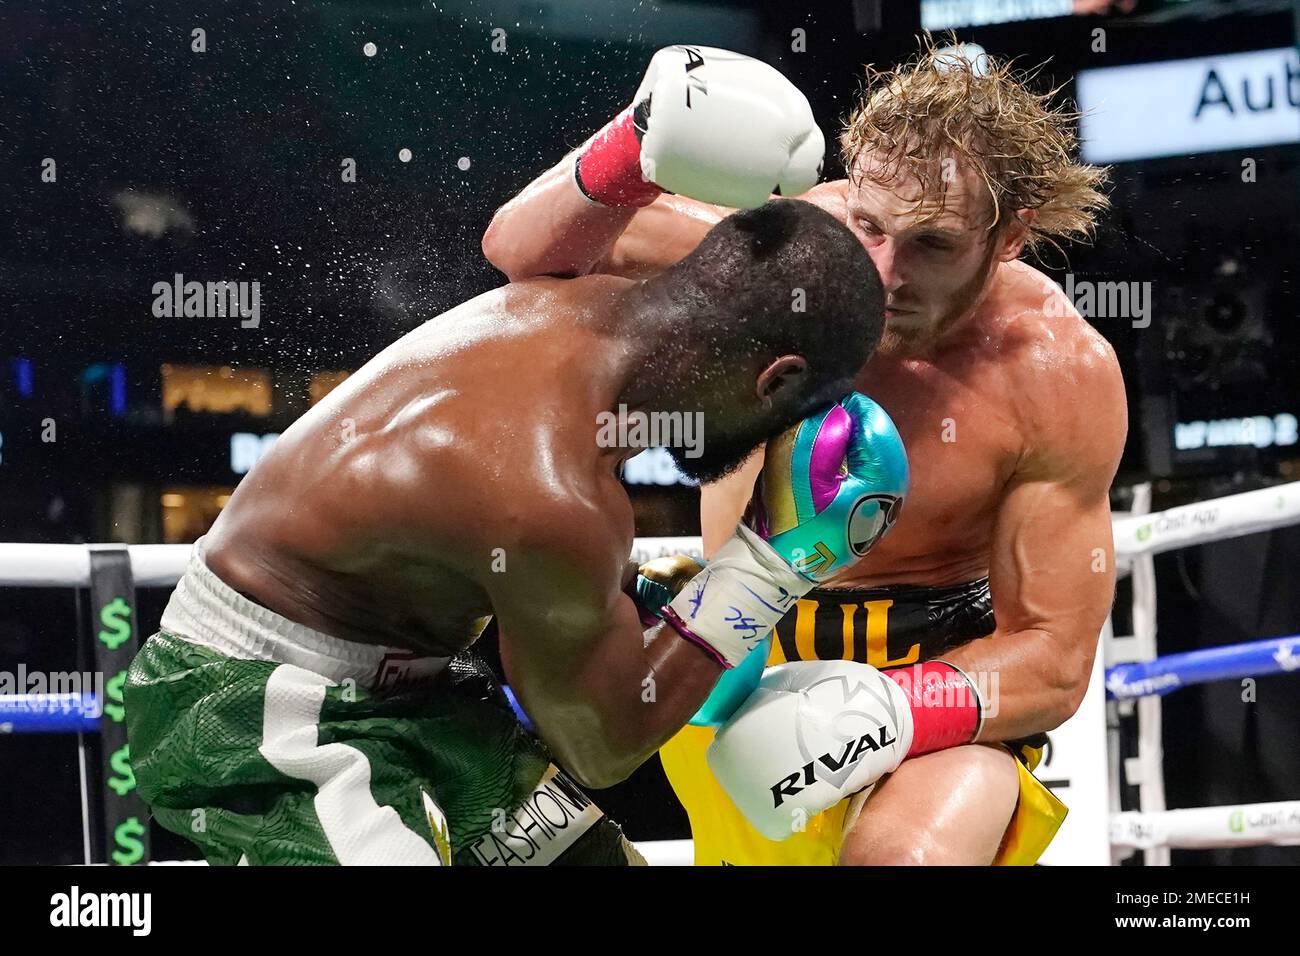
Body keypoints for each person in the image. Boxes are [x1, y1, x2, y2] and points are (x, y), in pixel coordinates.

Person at [482, 39, 1128, 865]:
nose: (885, 272)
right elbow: (522, 252)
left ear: (1009, 238)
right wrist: (637, 142)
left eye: (933, 243)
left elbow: (1055, 658)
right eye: (869, 224)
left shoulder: (1056, 371)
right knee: (485, 814)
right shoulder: (786, 256)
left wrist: (884, 712)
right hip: (716, 664)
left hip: (938, 687)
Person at [123, 199, 907, 865]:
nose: (774, 446)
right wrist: (771, 563)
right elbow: (605, 744)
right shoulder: (548, 495)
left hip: (426, 693)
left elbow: (527, 229)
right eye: (791, 420)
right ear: (778, 380)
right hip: (257, 706)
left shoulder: (571, 295)